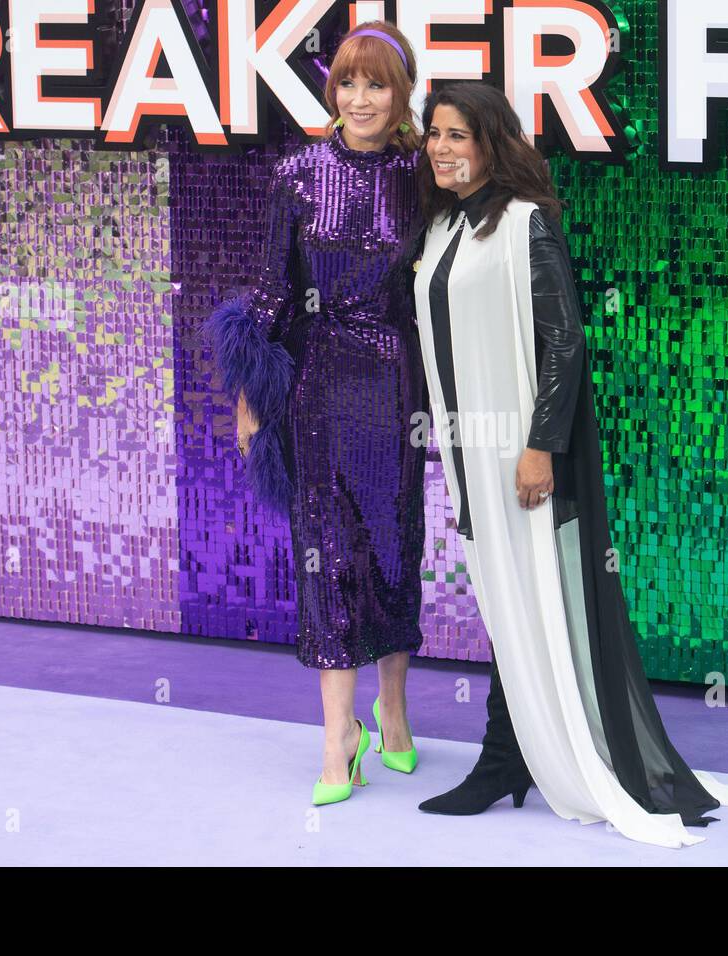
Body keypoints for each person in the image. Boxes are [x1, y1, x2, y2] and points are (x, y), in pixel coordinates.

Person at [410, 83, 728, 848]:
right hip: (471, 453)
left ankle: (515, 759)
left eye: (459, 135)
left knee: (538, 601)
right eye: (434, 133)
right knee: (507, 603)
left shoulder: (524, 223)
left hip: (520, 457)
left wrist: (540, 446)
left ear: (491, 143)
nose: (441, 147)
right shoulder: (441, 227)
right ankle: (511, 755)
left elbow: (565, 344)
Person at [202, 22, 426, 806]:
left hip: (397, 386)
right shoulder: (297, 173)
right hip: (318, 389)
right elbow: (270, 292)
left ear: (402, 95)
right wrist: (250, 397)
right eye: (348, 84)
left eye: (377, 85)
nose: (360, 99)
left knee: (394, 548)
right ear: (332, 90)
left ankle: (392, 709)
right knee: (327, 556)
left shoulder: (422, 172)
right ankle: (339, 738)